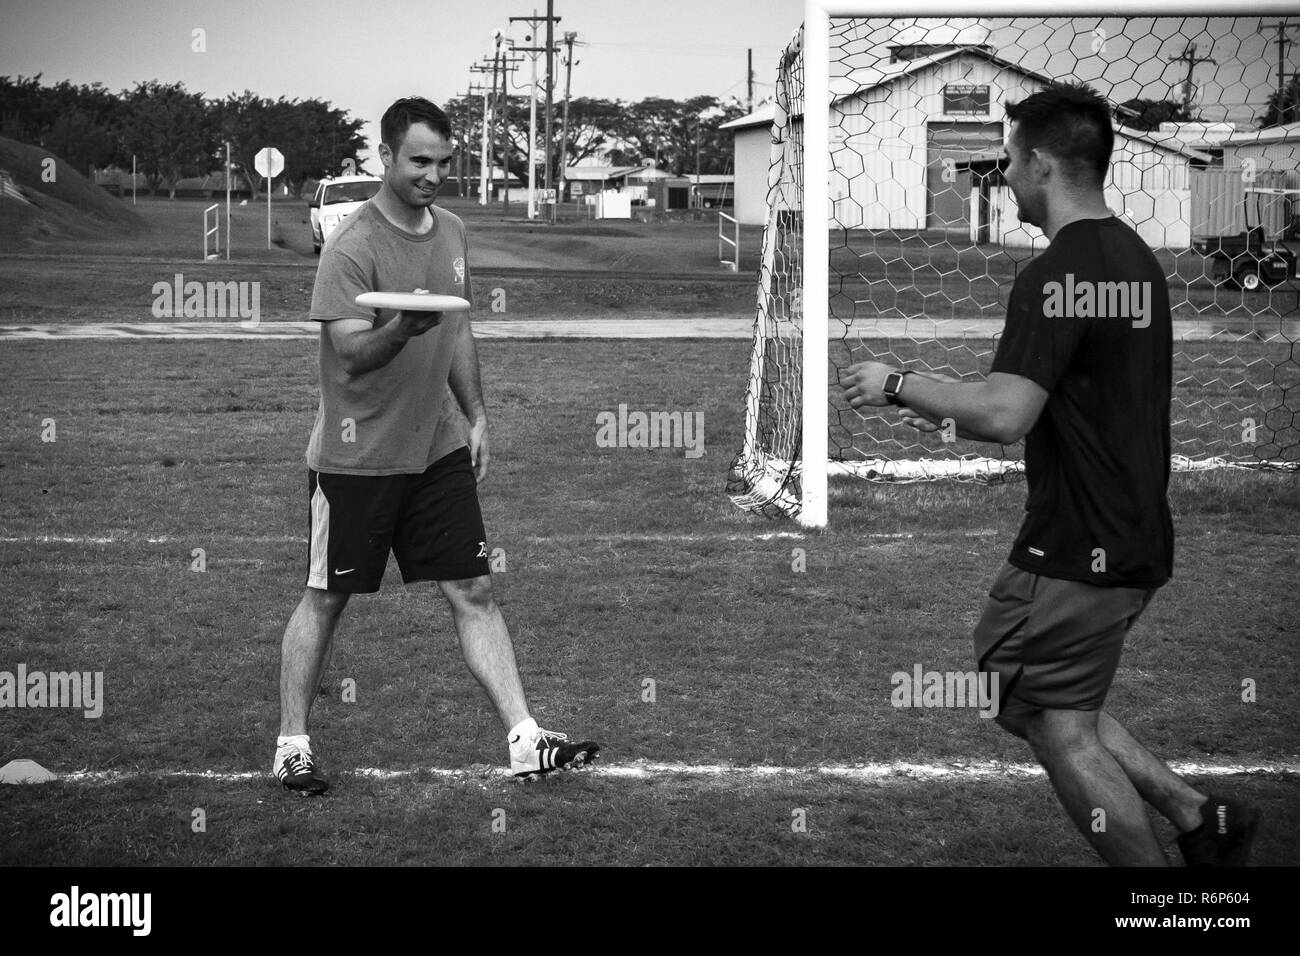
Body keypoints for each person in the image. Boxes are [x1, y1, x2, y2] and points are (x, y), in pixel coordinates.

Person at [840, 83, 1256, 866]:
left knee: (1054, 720)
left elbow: (1003, 415)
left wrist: (897, 386)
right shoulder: (1131, 255)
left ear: (1035, 161)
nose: (1005, 174)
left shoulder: (1056, 273)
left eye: (1008, 158)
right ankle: (1200, 815)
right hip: (1129, 527)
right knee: (1026, 691)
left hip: (1080, 539)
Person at [273, 96, 599, 795]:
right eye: (419, 160)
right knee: (327, 598)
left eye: (444, 163)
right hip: (355, 459)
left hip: (437, 452)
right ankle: (292, 744)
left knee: (474, 588)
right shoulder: (352, 246)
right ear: (385, 157)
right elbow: (353, 353)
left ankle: (524, 738)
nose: (433, 174)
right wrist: (401, 328)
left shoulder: (451, 231)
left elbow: (458, 329)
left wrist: (476, 415)